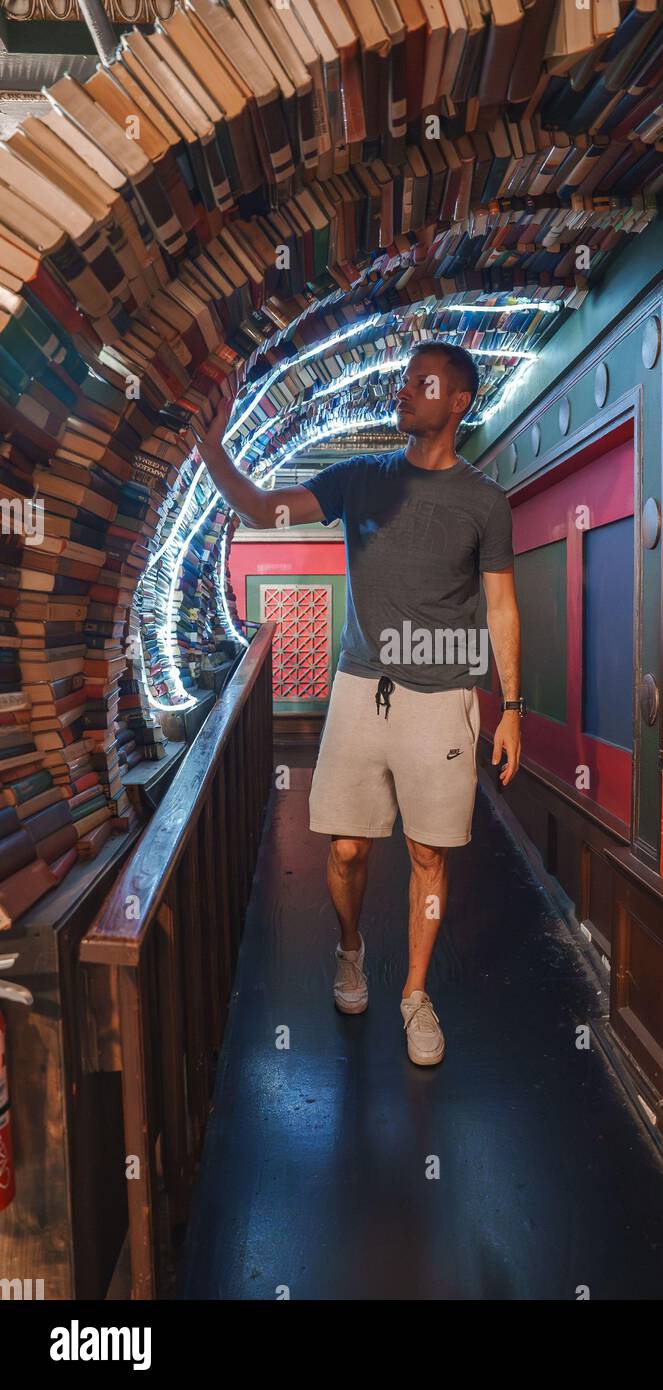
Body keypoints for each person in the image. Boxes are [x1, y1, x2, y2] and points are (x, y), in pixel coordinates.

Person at [192, 341, 524, 1066]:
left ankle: (413, 993)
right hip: (358, 690)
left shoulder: (484, 502)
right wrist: (213, 451)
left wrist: (514, 707)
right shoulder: (359, 478)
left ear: (459, 401)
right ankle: (350, 947)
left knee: (428, 855)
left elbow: (501, 606)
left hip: (444, 702)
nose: (404, 391)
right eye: (403, 380)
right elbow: (259, 507)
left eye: (422, 382)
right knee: (344, 849)